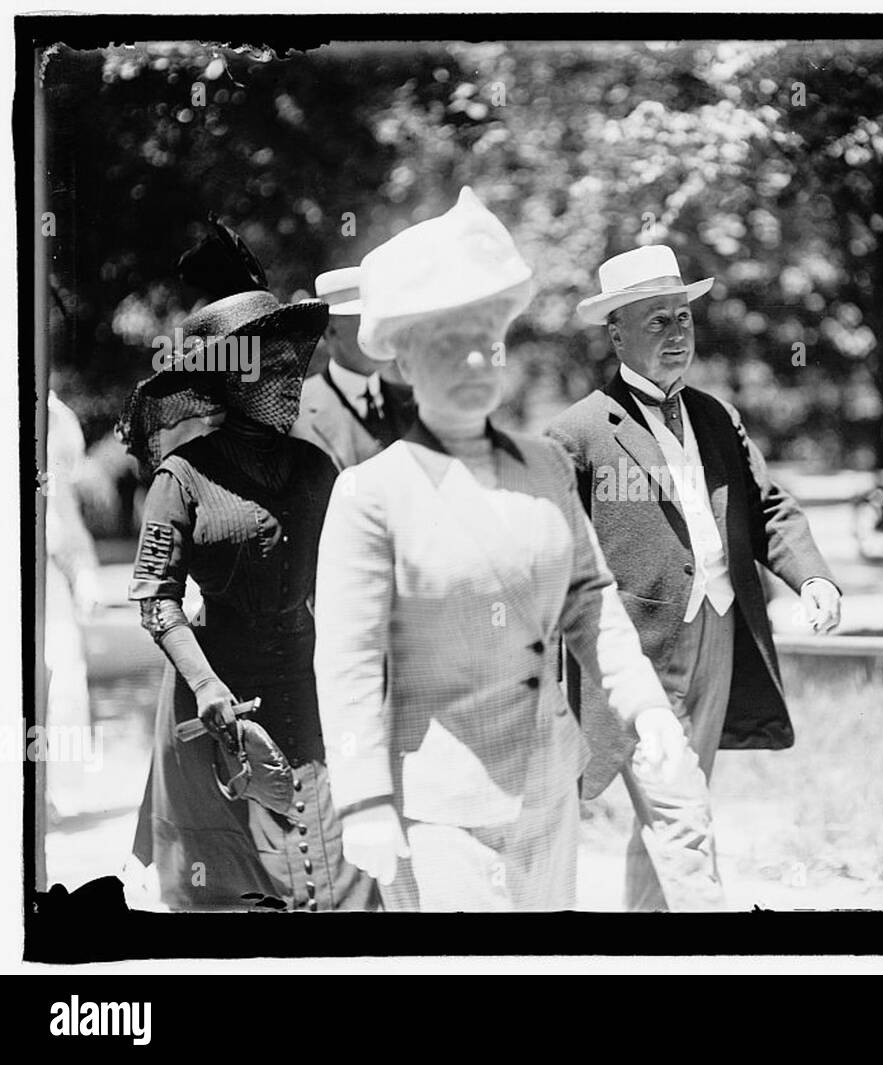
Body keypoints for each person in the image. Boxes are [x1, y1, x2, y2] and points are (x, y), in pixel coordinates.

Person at [313, 188, 715, 911]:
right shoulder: (373, 493)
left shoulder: (546, 467)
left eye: (487, 339)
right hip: (439, 807)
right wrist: (362, 798)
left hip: (547, 785)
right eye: (446, 342)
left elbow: (591, 602)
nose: (474, 359)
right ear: (402, 357)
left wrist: (646, 707)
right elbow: (345, 663)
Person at [547, 244, 843, 911]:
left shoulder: (716, 415)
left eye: (683, 316)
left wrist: (813, 579)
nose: (677, 332)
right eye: (657, 320)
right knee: (680, 814)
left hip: (719, 632)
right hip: (634, 652)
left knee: (675, 811)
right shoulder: (578, 433)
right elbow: (552, 551)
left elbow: (769, 507)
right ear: (616, 331)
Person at [118, 218, 376, 911]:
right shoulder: (183, 476)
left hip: (308, 684)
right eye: (273, 362)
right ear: (232, 380)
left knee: (339, 875)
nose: (294, 374)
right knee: (233, 892)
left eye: (297, 357)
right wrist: (206, 687)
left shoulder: (318, 469)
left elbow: (358, 579)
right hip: (217, 704)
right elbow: (155, 598)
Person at [290, 267, 415, 470]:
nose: (380, 335)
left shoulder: (412, 401)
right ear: (330, 331)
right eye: (366, 323)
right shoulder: (295, 412)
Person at [43, 388, 101, 820]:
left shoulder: (55, 419)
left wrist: (84, 571)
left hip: (47, 577)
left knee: (60, 685)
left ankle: (46, 789)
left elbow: (64, 508)